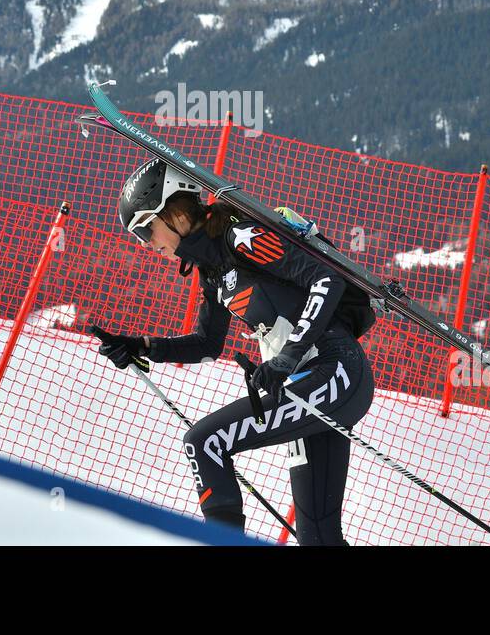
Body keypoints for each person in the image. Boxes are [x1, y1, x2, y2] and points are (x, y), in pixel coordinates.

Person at [94, 158, 376, 545]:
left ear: (175, 214)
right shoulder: (212, 268)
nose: (147, 244)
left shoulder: (240, 236)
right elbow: (207, 344)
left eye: (146, 230)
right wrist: (141, 347)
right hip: (307, 380)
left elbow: (325, 279)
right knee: (319, 538)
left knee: (205, 442)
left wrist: (288, 355)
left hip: (335, 370)